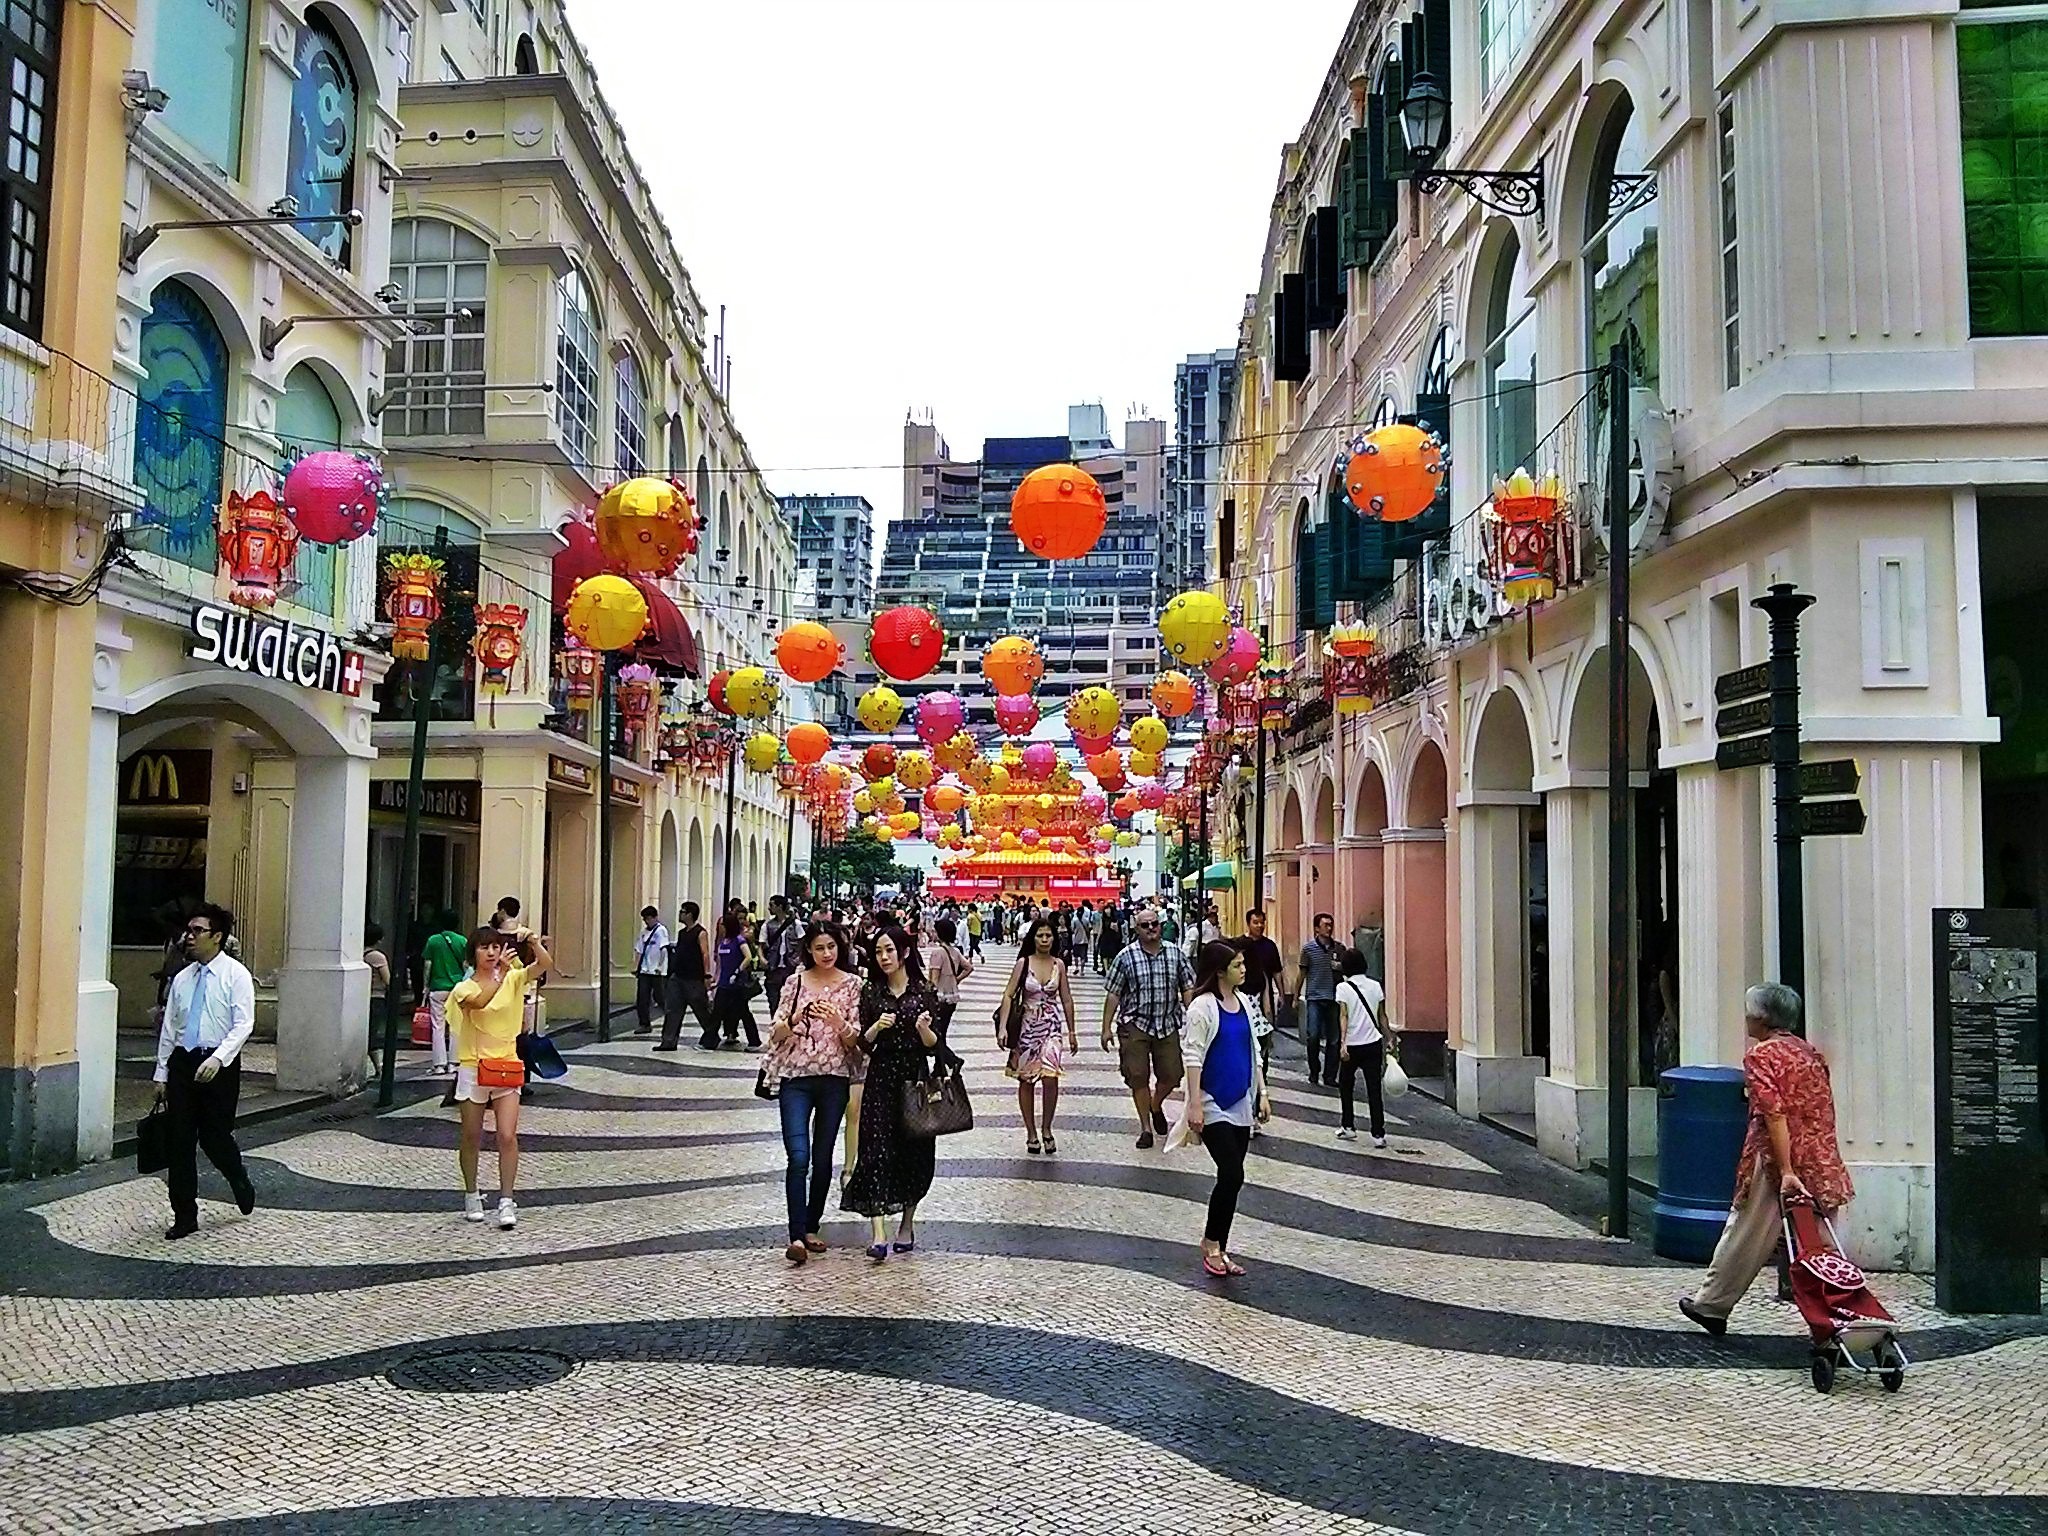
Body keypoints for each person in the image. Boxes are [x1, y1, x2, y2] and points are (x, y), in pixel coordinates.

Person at [1680, 983, 1854, 1337]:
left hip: (1776, 1158)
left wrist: (1787, 1169)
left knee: (1746, 1231)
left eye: (1748, 1011)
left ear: (1761, 1017)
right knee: (1821, 1239)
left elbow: (1774, 1115)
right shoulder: (1810, 1054)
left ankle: (1713, 1303)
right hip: (1820, 1156)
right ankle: (1844, 1308)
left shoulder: (1762, 1056)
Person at [842, 926, 956, 1260]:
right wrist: (876, 1028)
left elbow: (937, 1048)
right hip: (881, 1078)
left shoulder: (924, 991)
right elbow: (862, 1046)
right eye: (878, 952)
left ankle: (907, 1222)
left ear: (904, 952)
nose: (884, 957)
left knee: (914, 1152)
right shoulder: (871, 991)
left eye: (889, 950)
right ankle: (878, 1233)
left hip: (914, 1079)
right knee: (875, 1150)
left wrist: (924, 1030)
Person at [152, 902, 257, 1240]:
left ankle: (237, 1175)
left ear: (217, 936)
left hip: (219, 1065)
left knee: (214, 1137)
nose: (190, 937)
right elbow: (171, 1027)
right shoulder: (183, 978)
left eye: (198, 931)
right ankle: (184, 1214)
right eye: (189, 930)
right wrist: (161, 1073)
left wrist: (220, 1058)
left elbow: (243, 1024)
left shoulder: (235, 975)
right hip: (184, 1063)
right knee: (179, 1141)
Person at [763, 921, 866, 1265]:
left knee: (822, 1157)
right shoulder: (794, 983)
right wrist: (795, 1019)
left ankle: (811, 1225)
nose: (826, 953)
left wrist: (839, 1023)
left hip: (834, 1078)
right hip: (796, 1079)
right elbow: (775, 1033)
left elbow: (856, 1040)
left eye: (831, 947)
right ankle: (796, 1235)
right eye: (819, 947)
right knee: (798, 1156)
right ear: (808, 949)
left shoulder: (853, 985)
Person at [447, 923, 553, 1229]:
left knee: (507, 1135)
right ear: (473, 954)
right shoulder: (464, 988)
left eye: (496, 946)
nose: (492, 952)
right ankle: (471, 1194)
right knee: (471, 1135)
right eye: (484, 947)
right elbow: (480, 1003)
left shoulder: (515, 978)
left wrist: (532, 940)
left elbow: (545, 965)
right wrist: (501, 976)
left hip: (506, 1065)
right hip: (473, 1067)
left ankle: (506, 1200)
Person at [1182, 941, 1271, 1277]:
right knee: (1233, 1173)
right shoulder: (1202, 1007)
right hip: (1211, 1101)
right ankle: (1211, 1242)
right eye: (1237, 965)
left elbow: (1254, 1051)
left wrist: (1262, 1093)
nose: (1244, 969)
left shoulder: (1245, 1003)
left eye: (1243, 964)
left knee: (1231, 1179)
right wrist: (1194, 1104)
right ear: (1220, 971)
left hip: (1240, 1100)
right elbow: (1192, 1056)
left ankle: (1220, 1243)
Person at [1101, 906, 1195, 1148]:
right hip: (1135, 1025)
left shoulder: (1175, 954)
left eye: (1155, 924)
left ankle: (1155, 1104)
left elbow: (1187, 986)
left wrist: (1193, 1016)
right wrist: (1106, 1028)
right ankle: (1145, 1128)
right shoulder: (1126, 956)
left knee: (1173, 1074)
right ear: (1136, 929)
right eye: (1145, 925)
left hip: (1167, 1024)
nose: (1151, 928)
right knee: (1137, 1076)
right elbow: (1113, 993)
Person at [995, 918, 1079, 1154]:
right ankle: (1031, 1131)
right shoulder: (1023, 963)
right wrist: (1003, 1026)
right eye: (1040, 935)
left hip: (1051, 1025)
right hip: (1027, 1026)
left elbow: (1067, 998)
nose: (1044, 940)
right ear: (1033, 938)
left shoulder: (1059, 965)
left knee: (1051, 1077)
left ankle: (1047, 1128)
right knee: (1026, 1079)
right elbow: (1009, 995)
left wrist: (1072, 1031)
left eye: (1048, 936)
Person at [1333, 947, 1389, 1146]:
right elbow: (1382, 1016)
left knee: (1345, 1085)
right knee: (1374, 1089)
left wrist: (1343, 1044)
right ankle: (1378, 1134)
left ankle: (1348, 1126)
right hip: (1373, 1042)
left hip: (1353, 1043)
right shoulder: (1375, 985)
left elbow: (1343, 1016)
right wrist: (1389, 1038)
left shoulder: (1343, 988)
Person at [1292, 912, 1344, 1086]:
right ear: (1316, 928)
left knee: (1334, 1039)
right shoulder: (1308, 949)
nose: (1329, 928)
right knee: (1313, 1035)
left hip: (1334, 998)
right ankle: (1314, 1070)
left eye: (1331, 925)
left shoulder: (1339, 949)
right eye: (1325, 925)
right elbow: (1302, 974)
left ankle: (1330, 1075)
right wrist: (1295, 996)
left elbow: (1344, 973)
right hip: (1314, 997)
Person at [659, 901, 713, 1052]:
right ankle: (668, 1041)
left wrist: (707, 975)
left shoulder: (700, 932)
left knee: (701, 1009)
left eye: (683, 912)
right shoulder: (682, 933)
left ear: (690, 914)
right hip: (678, 976)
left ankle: (711, 1034)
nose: (680, 914)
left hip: (694, 977)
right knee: (673, 1009)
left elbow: (705, 954)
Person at [422, 909, 469, 1076]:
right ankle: (454, 1063)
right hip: (456, 988)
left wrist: (425, 986)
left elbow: (428, 965)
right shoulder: (462, 940)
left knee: (437, 1026)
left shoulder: (433, 941)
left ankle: (439, 1064)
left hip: (437, 987)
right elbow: (465, 964)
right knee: (456, 1026)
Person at [709, 909, 763, 1051]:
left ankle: (754, 1041)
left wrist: (738, 971)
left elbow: (748, 956)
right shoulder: (723, 943)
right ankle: (709, 1040)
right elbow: (721, 964)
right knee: (717, 1012)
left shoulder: (739, 940)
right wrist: (716, 980)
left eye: (723, 924)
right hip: (724, 983)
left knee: (744, 1012)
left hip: (736, 984)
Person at [927, 916, 974, 1041]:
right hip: (952, 996)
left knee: (936, 1034)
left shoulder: (937, 952)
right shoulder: (955, 951)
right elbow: (969, 968)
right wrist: (956, 979)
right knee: (943, 1031)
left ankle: (951, 1060)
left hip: (939, 998)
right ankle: (941, 1060)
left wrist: (927, 996)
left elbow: (934, 980)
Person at [632, 905, 669, 1035]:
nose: (646, 921)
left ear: (654, 918)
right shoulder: (644, 932)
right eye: (645, 919)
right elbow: (639, 950)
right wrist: (637, 966)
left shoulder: (661, 931)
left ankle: (670, 1018)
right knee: (642, 998)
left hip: (657, 971)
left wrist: (660, 966)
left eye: (648, 918)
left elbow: (663, 949)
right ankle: (644, 1023)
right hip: (644, 970)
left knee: (660, 997)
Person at [763, 894, 802, 1012]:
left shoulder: (795, 924)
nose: (769, 908)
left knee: (789, 998)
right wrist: (762, 958)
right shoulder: (768, 925)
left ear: (779, 907)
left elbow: (802, 941)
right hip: (773, 966)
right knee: (773, 999)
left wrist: (797, 958)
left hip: (789, 966)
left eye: (771, 905)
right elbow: (761, 944)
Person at [1095, 900, 1124, 976]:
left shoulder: (1115, 918)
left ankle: (1110, 969)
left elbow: (1118, 930)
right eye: (1106, 909)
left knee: (1111, 956)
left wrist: (1115, 927)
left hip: (1113, 938)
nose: (1107, 911)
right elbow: (1101, 929)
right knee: (1104, 955)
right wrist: (1097, 940)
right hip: (1105, 938)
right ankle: (1106, 970)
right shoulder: (1103, 919)